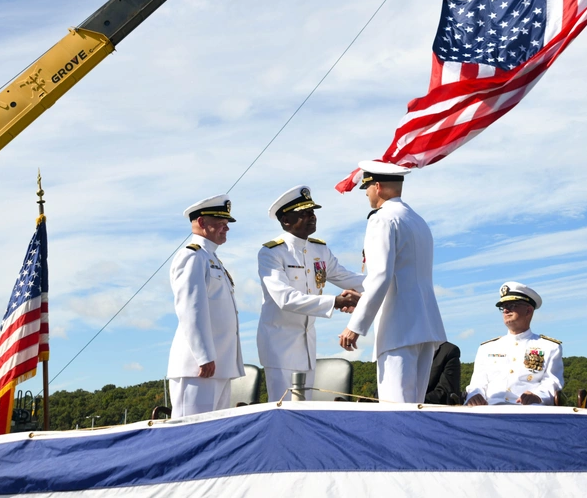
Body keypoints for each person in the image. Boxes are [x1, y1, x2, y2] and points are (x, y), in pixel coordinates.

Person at [338, 161, 447, 403]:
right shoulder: (417, 220)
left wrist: (355, 326)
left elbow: (381, 276)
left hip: (398, 328)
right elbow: (404, 276)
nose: (366, 193)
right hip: (425, 326)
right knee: (415, 407)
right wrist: (363, 299)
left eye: (366, 187)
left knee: (395, 409)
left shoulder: (382, 219)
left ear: (377, 186)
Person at [258, 185, 363, 401]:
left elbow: (347, 277)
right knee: (284, 408)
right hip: (279, 347)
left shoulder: (320, 250)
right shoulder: (272, 253)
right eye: (304, 213)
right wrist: (335, 301)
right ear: (286, 220)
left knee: (304, 409)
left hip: (307, 345)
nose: (312, 217)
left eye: (312, 212)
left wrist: (387, 282)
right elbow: (285, 299)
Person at [167, 195, 245, 417]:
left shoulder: (212, 258)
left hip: (218, 366)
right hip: (198, 367)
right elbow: (190, 309)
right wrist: (203, 356)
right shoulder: (191, 256)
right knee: (190, 432)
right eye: (220, 222)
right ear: (201, 222)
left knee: (214, 432)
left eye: (227, 222)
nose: (226, 227)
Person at [464, 281, 563, 406]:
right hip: (490, 410)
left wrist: (538, 396)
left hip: (528, 410)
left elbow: (551, 381)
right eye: (503, 307)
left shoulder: (550, 347)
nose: (506, 310)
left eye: (512, 305)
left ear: (528, 311)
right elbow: (478, 382)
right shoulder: (487, 348)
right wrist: (474, 396)